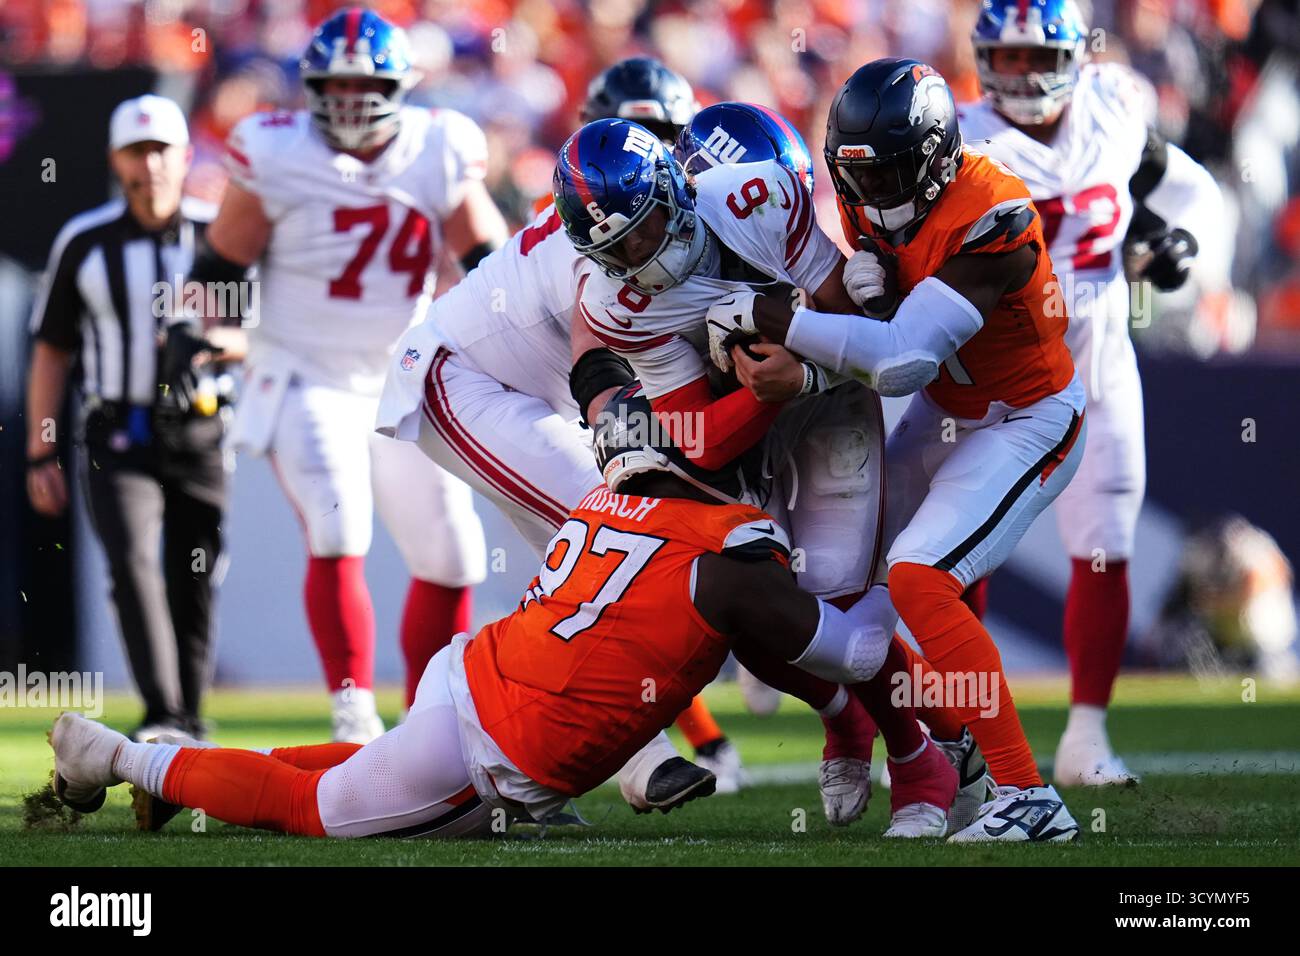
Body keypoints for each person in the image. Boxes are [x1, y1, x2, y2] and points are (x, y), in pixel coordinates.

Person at [49, 385, 940, 839]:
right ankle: (117, 757)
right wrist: (908, 562)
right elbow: (857, 650)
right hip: (491, 747)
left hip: (470, 671)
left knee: (345, 766)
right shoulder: (730, 559)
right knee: (307, 807)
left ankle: (184, 765)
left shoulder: (606, 501)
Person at [375, 96, 887, 813]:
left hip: (535, 390)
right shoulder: (617, 268)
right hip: (461, 377)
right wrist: (621, 421)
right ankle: (652, 747)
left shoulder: (716, 213)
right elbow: (600, 370)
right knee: (630, 538)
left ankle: (644, 753)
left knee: (620, 561)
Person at [555, 118, 990, 837]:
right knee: (739, 600)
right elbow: (694, 433)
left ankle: (921, 756)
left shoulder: (753, 197)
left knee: (839, 598)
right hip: (740, 421)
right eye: (617, 248)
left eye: (646, 227)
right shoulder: (618, 303)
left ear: (674, 188)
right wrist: (765, 392)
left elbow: (850, 321)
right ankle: (846, 720)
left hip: (832, 401)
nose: (641, 253)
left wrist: (806, 368)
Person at [707, 58, 1088, 842]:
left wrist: (778, 318)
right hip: (950, 414)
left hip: (1025, 420)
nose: (870, 197)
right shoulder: (867, 202)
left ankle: (1030, 797)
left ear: (936, 158)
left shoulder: (994, 217)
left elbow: (900, 362)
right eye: (858, 178)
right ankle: (946, 747)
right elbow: (861, 324)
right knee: (842, 587)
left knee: (918, 578)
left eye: (886, 176)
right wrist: (795, 350)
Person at [190, 8, 506, 741]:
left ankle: (428, 718)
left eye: (366, 84)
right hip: (303, 369)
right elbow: (220, 267)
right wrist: (199, 336)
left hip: (402, 373)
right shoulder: (276, 151)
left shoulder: (439, 146)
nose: (350, 100)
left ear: (400, 88)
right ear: (310, 88)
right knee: (338, 521)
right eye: (334, 85)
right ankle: (351, 710)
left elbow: (490, 261)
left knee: (453, 550)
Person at [961, 0, 1222, 786]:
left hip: (1098, 369)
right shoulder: (960, 138)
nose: (1023, 75)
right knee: (956, 564)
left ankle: (1087, 739)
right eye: (1006, 59)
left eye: (1037, 58)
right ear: (982, 61)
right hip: (989, 386)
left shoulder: (1110, 108)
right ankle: (959, 741)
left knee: (1104, 549)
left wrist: (1175, 242)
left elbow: (1190, 189)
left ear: (1074, 57)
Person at [26, 94, 226, 742]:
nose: (151, 165)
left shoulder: (218, 234)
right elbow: (52, 348)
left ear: (185, 156)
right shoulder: (84, 241)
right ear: (116, 159)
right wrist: (39, 450)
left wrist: (212, 343)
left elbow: (264, 331)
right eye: (137, 152)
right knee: (133, 563)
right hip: (116, 430)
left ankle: (190, 718)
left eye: (161, 149)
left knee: (195, 573)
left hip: (199, 426)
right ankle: (164, 714)